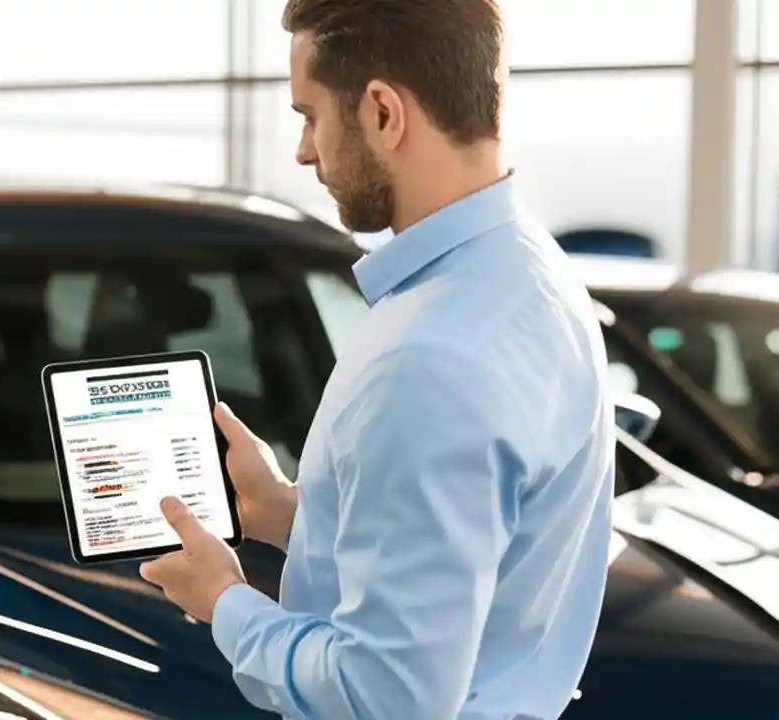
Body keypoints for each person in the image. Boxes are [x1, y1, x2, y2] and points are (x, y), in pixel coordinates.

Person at [138, 1, 614, 718]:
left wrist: (225, 602)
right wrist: (292, 517)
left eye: (310, 115)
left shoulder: (430, 355)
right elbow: (471, 558)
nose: (304, 151)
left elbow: (385, 698)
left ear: (384, 113)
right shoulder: (532, 275)